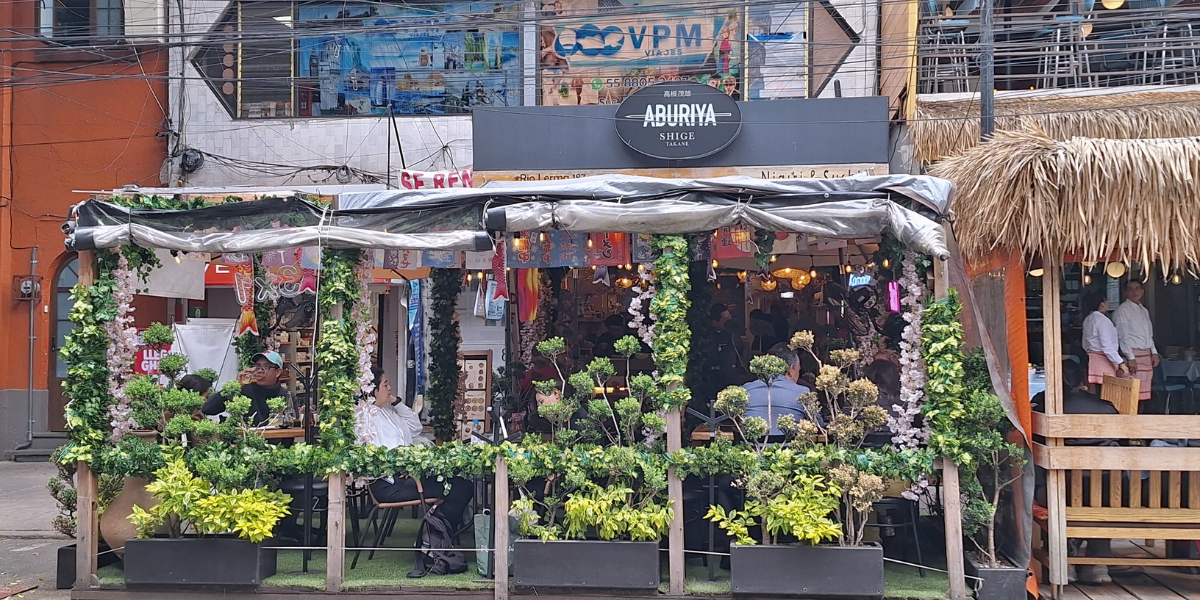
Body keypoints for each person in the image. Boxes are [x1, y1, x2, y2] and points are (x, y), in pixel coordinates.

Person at [358, 368, 473, 530]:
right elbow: (373, 456)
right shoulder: (365, 419)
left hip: (407, 477)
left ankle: (437, 530)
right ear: (374, 391)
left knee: (461, 484)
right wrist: (402, 467)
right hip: (390, 484)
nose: (389, 388)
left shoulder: (388, 413)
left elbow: (415, 427)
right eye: (385, 384)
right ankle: (436, 533)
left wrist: (397, 402)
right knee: (461, 488)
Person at [742, 344, 823, 436]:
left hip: (751, 444)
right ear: (791, 369)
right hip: (790, 444)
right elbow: (818, 425)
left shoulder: (746, 390)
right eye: (798, 370)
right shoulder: (803, 393)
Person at [201, 351, 286, 426]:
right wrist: (235, 386)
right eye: (258, 366)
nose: (260, 370)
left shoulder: (286, 396)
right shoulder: (244, 390)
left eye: (266, 367)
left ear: (278, 372)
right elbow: (207, 409)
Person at [1112, 281, 1157, 402]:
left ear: (1142, 291)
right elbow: (1122, 335)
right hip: (1132, 355)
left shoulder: (1144, 310)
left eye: (1137, 288)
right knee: (1130, 395)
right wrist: (1130, 358)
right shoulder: (1123, 310)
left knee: (1143, 394)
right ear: (1126, 292)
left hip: (1145, 356)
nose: (1134, 291)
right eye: (1131, 289)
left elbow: (1149, 335)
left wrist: (1154, 352)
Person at [1081, 291, 1128, 386]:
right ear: (1102, 304)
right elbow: (1107, 346)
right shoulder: (1103, 320)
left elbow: (1084, 344)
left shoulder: (1087, 319)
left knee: (1096, 390)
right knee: (1107, 391)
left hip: (1092, 360)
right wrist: (1120, 362)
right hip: (1104, 361)